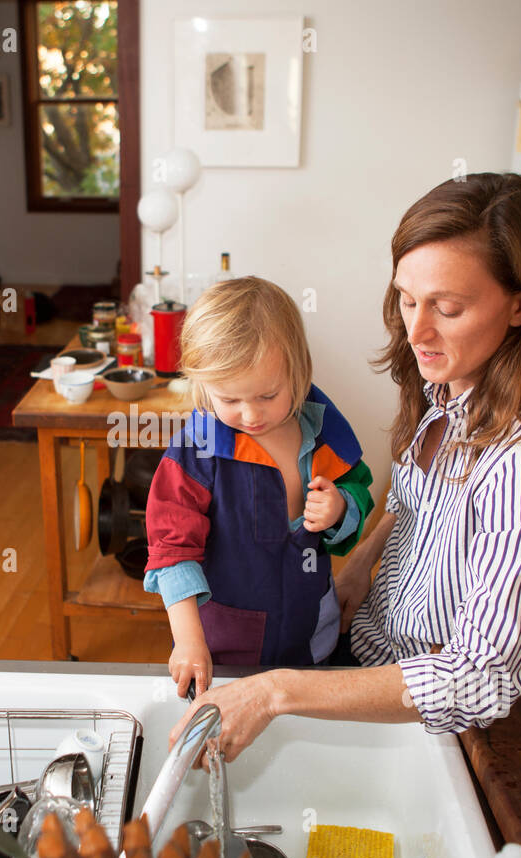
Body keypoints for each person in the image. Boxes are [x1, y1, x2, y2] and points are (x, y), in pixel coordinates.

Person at [169, 172, 521, 760]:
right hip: (369, 654)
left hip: (456, 722)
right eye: (407, 299)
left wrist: (275, 691)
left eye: (448, 307)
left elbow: (479, 677)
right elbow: (415, 504)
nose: (416, 331)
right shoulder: (450, 378)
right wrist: (361, 563)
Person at [143, 277, 375, 696]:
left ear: (298, 371)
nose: (250, 415)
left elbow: (360, 495)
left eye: (268, 395)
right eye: (229, 400)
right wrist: (190, 640)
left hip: (313, 643)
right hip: (224, 654)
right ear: (202, 386)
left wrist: (341, 509)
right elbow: (171, 553)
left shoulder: (324, 434)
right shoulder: (196, 456)